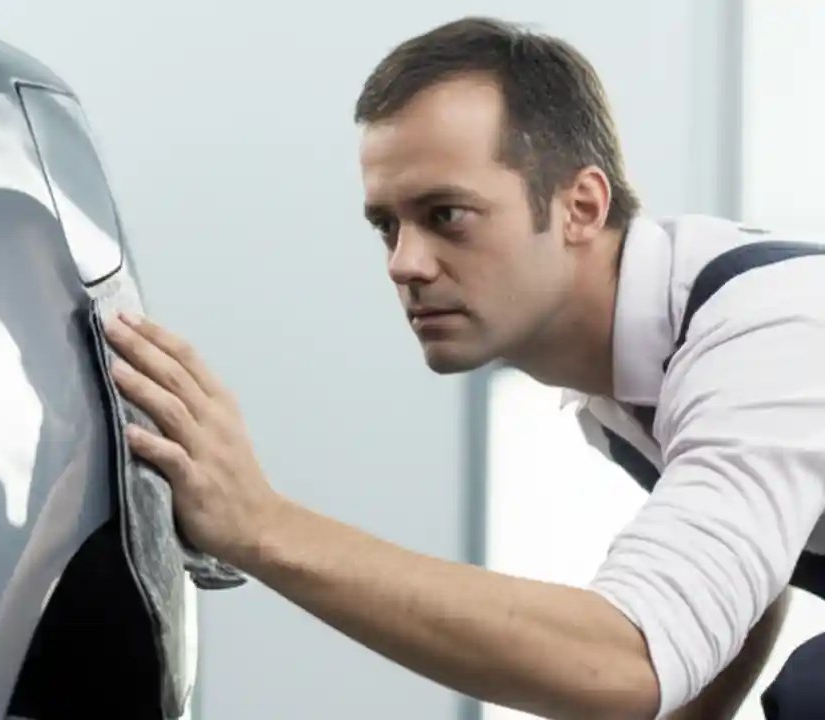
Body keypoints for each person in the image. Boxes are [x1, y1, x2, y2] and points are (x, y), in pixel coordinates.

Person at [100, 15, 825, 720]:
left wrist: (262, 524)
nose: (404, 264)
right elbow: (741, 570)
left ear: (581, 205)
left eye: (446, 215)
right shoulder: (641, 372)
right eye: (387, 225)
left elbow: (626, 659)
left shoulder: (759, 336)